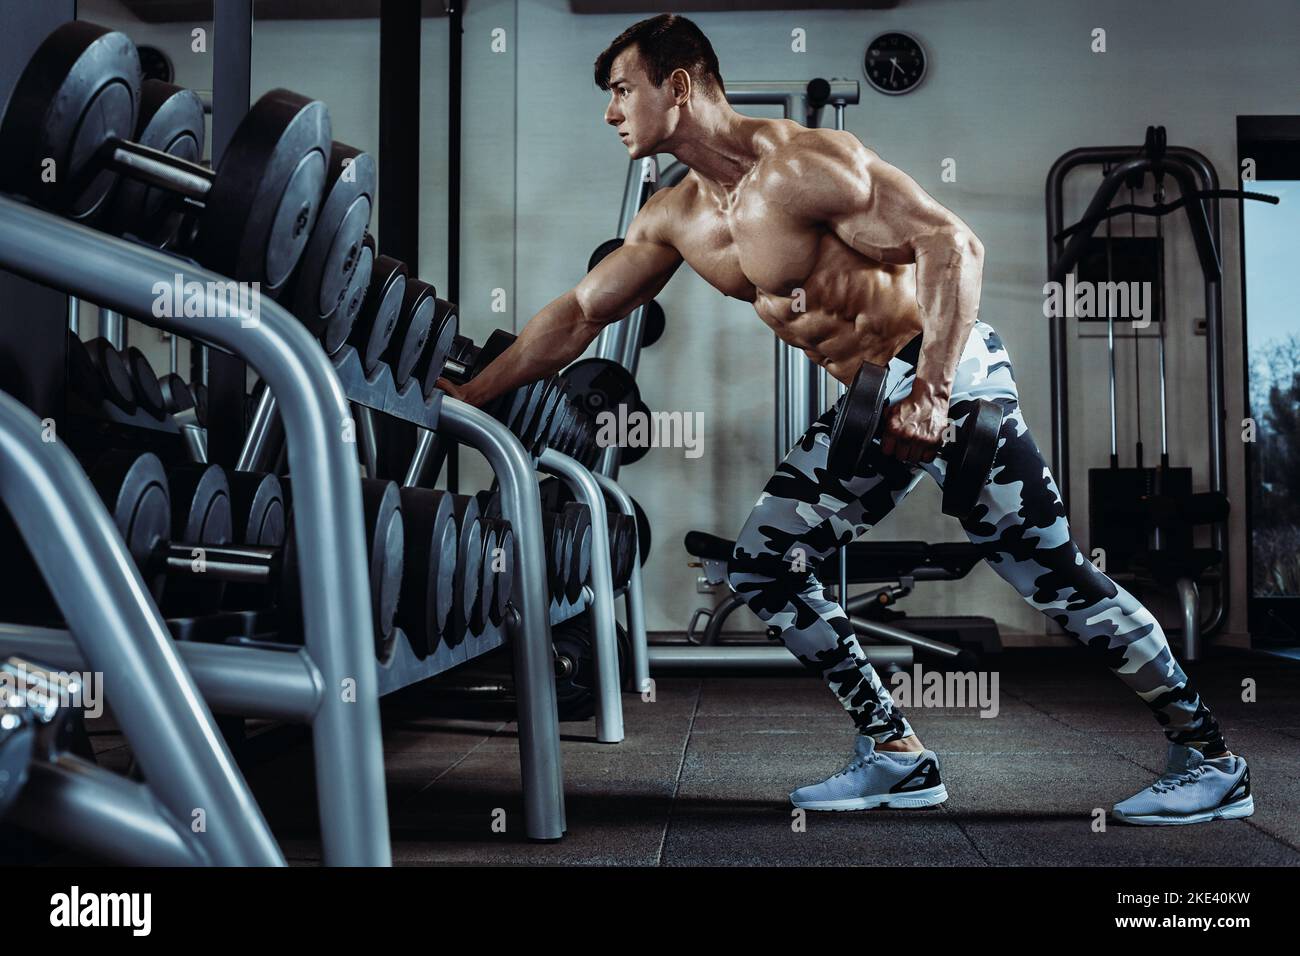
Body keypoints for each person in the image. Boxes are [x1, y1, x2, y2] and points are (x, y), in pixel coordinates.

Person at [439, 13, 1252, 826]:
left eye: (622, 91)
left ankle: (1211, 759)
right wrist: (464, 404)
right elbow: (579, 315)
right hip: (869, 398)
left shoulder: (801, 167)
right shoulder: (676, 216)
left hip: (946, 372)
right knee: (768, 561)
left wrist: (931, 391)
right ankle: (896, 755)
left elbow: (952, 246)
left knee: (1051, 573)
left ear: (677, 86)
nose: (610, 113)